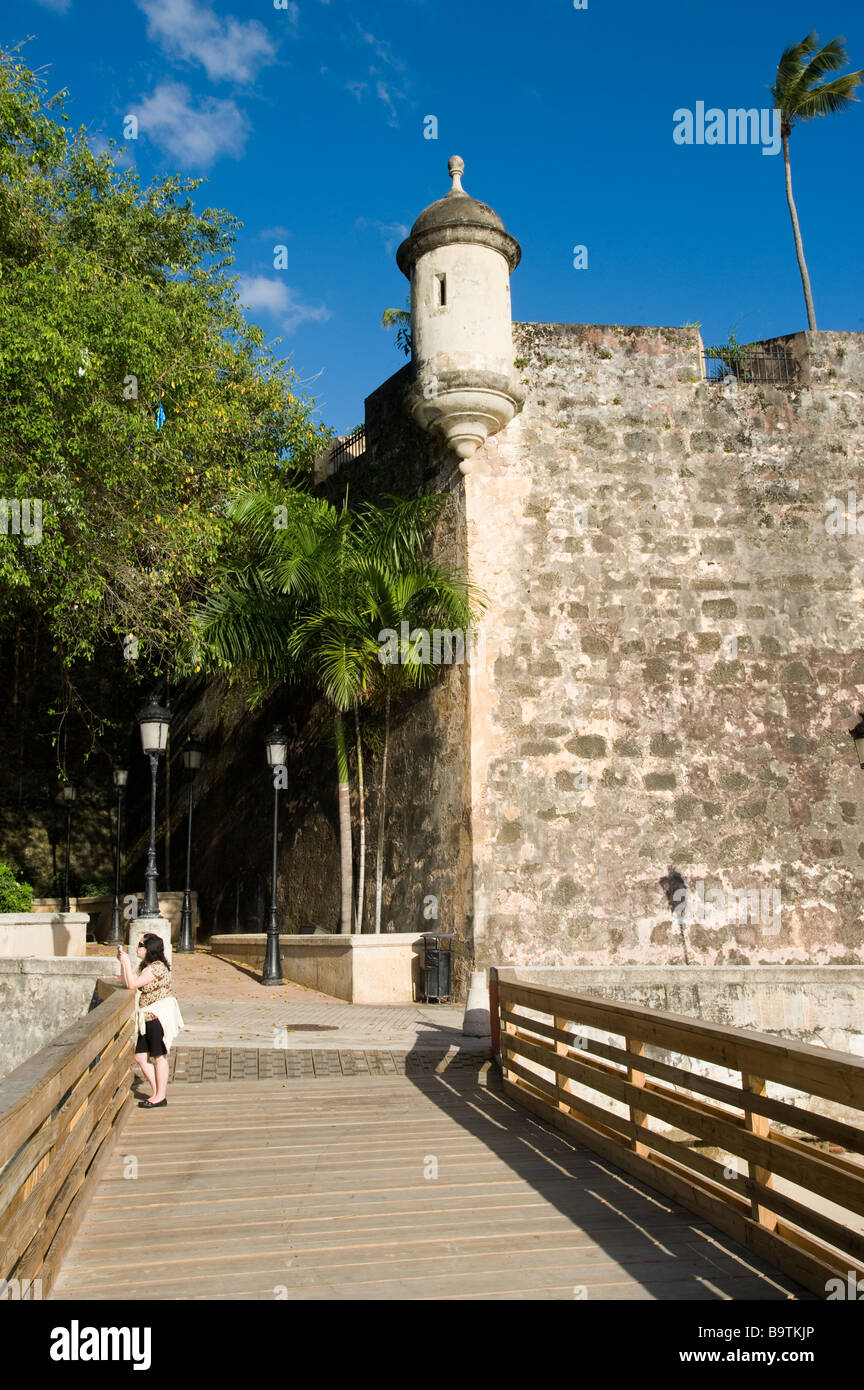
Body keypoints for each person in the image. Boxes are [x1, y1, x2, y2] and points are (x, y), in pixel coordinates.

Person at [117, 932, 184, 1108]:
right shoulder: (145, 965)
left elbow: (132, 984)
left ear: (149, 949)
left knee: (159, 1057)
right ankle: (157, 1093)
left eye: (140, 945)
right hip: (147, 1017)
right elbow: (127, 982)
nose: (137, 948)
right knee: (140, 1057)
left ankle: (160, 1096)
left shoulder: (157, 968)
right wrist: (123, 965)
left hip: (157, 1016)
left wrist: (125, 962)